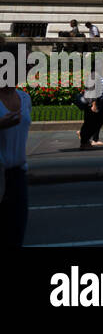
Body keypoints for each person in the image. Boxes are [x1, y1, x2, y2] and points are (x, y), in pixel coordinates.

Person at [0, 46, 32, 247]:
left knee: (15, 235)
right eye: (25, 66)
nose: (28, 70)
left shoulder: (25, 98)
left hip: (18, 175)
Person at [75, 71, 103, 149]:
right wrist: (94, 105)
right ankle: (85, 142)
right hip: (94, 103)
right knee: (92, 123)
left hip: (99, 103)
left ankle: (85, 140)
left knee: (96, 122)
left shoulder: (99, 76)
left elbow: (101, 89)